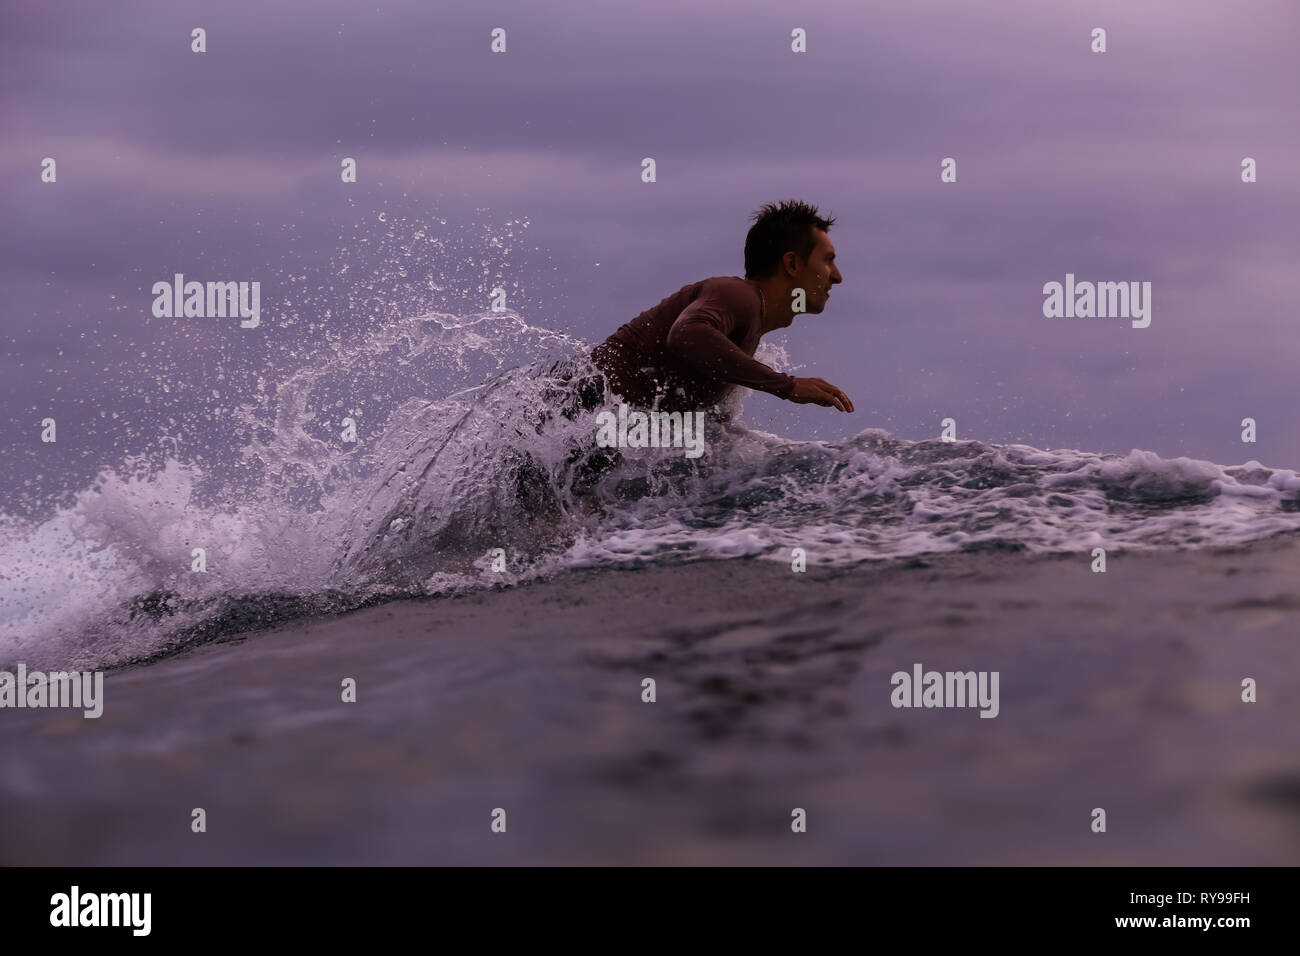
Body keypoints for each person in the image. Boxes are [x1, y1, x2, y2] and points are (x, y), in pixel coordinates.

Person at [588, 198, 854, 415]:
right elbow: (686, 334)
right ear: (792, 264)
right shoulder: (739, 296)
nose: (837, 276)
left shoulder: (747, 326)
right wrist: (787, 386)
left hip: (588, 430)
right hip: (576, 403)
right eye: (828, 260)